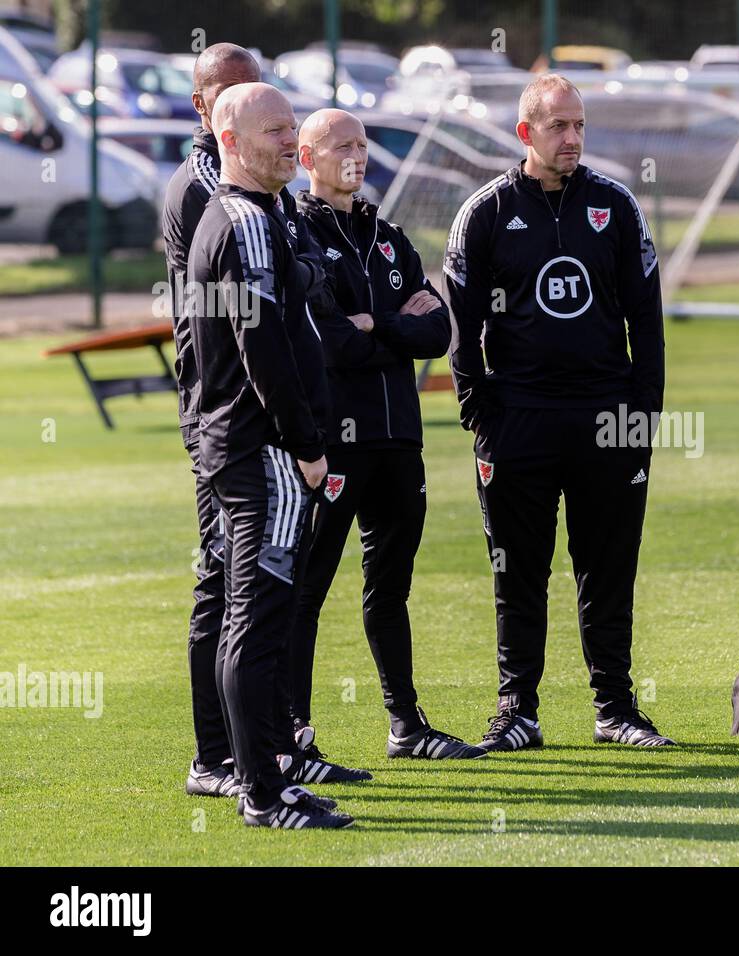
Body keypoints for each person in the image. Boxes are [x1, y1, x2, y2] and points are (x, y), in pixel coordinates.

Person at [444, 74, 672, 750]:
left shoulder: (615, 206)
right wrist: (478, 410)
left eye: (578, 126)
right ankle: (518, 712)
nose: (572, 138)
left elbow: (647, 320)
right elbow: (460, 325)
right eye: (557, 127)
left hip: (608, 418)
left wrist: (644, 415)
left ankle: (616, 709)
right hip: (520, 421)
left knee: (608, 568)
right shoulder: (485, 213)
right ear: (526, 134)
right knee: (519, 571)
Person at [163, 43, 366, 797]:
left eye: (290, 124)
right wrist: (306, 443)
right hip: (249, 436)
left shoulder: (260, 208)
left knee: (254, 606)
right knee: (243, 603)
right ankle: (249, 775)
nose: (291, 141)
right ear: (218, 126)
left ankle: (267, 763)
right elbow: (259, 341)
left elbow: (303, 287)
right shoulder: (221, 206)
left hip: (242, 432)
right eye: (273, 127)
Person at [292, 107, 484, 760]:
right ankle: (293, 734)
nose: (357, 154)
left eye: (362, 143)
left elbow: (439, 330)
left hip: (399, 438)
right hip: (332, 444)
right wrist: (386, 326)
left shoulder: (389, 235)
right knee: (305, 587)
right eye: (341, 144)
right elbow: (334, 345)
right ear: (306, 156)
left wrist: (376, 325)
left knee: (390, 587)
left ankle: (407, 725)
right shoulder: (296, 237)